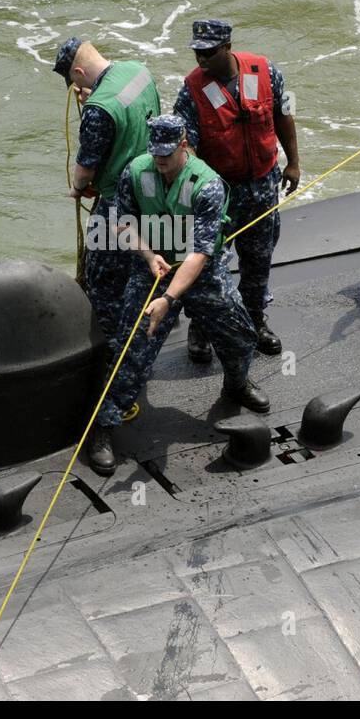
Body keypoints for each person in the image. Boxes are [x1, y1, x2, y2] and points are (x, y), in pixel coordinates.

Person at [84, 115, 269, 476]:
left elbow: (200, 254)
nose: (161, 160)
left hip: (199, 271)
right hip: (153, 267)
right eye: (156, 153)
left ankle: (236, 383)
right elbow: (124, 223)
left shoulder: (208, 185)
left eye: (167, 153)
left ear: (184, 145)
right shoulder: (135, 172)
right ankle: (103, 428)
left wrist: (168, 298)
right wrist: (148, 255)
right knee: (132, 349)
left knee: (240, 335)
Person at [172, 19, 300, 360]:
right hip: (221, 194)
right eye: (197, 52)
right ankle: (201, 327)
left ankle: (255, 320)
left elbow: (283, 115)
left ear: (227, 47)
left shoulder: (264, 71)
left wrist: (293, 162)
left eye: (209, 53)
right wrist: (201, 187)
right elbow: (188, 145)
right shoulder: (193, 89)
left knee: (259, 259)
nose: (201, 60)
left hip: (262, 185)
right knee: (208, 263)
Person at [52, 37, 159, 350]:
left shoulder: (99, 109)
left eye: (73, 81)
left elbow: (86, 168)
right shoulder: (139, 71)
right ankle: (146, 329)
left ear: (80, 71)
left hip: (118, 203)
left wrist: (77, 188)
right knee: (140, 267)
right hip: (151, 189)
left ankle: (115, 352)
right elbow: (129, 111)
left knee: (103, 281)